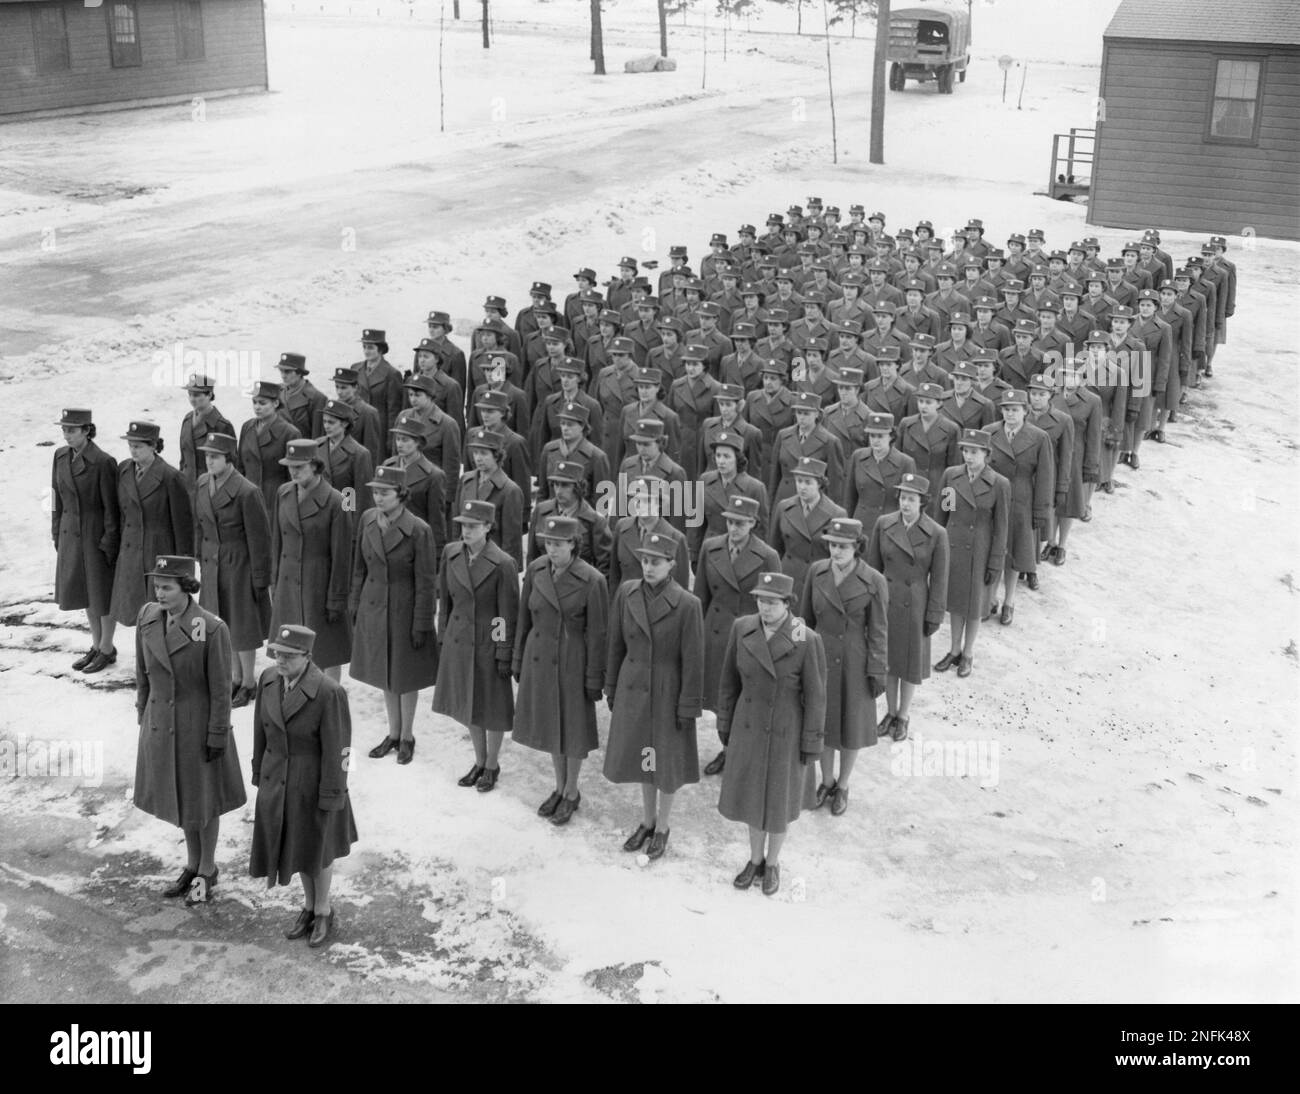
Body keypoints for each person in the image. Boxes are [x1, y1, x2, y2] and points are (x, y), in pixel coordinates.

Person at [133, 555, 246, 906]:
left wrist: (216, 735)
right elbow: (143, 674)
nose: (160, 594)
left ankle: (207, 870)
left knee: (204, 803)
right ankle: (192, 864)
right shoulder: (147, 617)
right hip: (161, 725)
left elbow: (219, 689)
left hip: (196, 727)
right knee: (182, 799)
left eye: (167, 588)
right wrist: (143, 714)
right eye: (157, 587)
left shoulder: (211, 629)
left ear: (188, 587)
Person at [716, 571, 827, 896]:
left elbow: (816, 697)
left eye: (772, 602)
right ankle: (754, 860)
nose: (765, 608)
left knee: (778, 801)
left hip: (786, 732)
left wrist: (811, 742)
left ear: (788, 603)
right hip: (748, 725)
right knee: (752, 798)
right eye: (761, 601)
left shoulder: (805, 638)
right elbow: (728, 683)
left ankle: (773, 862)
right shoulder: (743, 628)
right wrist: (725, 722)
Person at [250, 624, 358, 949]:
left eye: (288, 656)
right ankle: (309, 907)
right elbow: (260, 733)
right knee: (296, 848)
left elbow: (340, 749)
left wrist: (332, 793)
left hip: (313, 783)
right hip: (278, 781)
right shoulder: (269, 680)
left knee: (319, 851)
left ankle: (323, 909)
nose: (280, 660)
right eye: (276, 653)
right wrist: (260, 774)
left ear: (308, 656)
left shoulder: (328, 692)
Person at [604, 532, 704, 862]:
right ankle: (647, 820)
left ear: (672, 565)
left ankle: (663, 826)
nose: (648, 567)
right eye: (644, 560)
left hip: (667, 691)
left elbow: (693, 661)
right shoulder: (626, 593)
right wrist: (612, 688)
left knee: (666, 764)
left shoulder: (687, 604)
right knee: (643, 757)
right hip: (633, 685)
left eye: (656, 562)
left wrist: (688, 704)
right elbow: (615, 645)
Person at [512, 515, 609, 826]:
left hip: (572, 660)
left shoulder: (593, 580)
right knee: (552, 726)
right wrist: (517, 658)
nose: (551, 549)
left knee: (573, 729)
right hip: (539, 655)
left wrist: (595, 678)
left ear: (573, 544)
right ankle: (558, 786)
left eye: (558, 544)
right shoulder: (537, 570)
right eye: (547, 543)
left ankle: (571, 791)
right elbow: (522, 619)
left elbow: (598, 634)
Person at [350, 466, 440, 766]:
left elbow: (426, 581)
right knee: (384, 673)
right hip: (374, 605)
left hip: (404, 607)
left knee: (404, 675)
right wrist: (355, 602)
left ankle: (407, 735)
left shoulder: (418, 530)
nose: (378, 497)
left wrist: (423, 622)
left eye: (384, 492)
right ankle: (392, 732)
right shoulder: (367, 519)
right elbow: (359, 566)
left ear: (401, 495)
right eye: (375, 491)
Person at [798, 520, 888, 815]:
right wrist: (797, 658)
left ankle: (844, 785)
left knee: (850, 728)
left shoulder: (873, 581)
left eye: (843, 546)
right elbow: (805, 620)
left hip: (854, 662)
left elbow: (878, 630)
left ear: (857, 548)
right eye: (833, 545)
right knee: (822, 724)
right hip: (820, 657)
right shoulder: (817, 571)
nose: (836, 551)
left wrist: (876, 670)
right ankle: (826, 781)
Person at [434, 500, 520, 793]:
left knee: (492, 706)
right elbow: (444, 602)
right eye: (463, 524)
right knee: (468, 704)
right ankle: (479, 760)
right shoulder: (451, 553)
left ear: (487, 527)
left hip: (486, 641)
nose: (466, 530)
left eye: (473, 525)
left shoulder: (503, 564)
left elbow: (505, 614)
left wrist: (502, 652)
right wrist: (443, 636)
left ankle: (492, 764)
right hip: (459, 639)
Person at [694, 494, 781, 779]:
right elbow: (701, 598)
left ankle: (741, 753)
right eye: (730, 521)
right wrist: (696, 636)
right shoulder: (711, 548)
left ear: (753, 523)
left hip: (749, 639)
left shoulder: (767, 556)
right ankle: (728, 749)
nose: (733, 528)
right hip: (716, 634)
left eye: (741, 523)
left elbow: (776, 604)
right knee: (722, 698)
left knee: (746, 697)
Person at [866, 474, 949, 741]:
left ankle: (903, 716)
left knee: (910, 664)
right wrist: (869, 604)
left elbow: (939, 579)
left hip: (915, 604)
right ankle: (889, 712)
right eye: (903, 498)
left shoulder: (937, 533)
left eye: (911, 499)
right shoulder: (884, 524)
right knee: (888, 660)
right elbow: (872, 569)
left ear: (922, 502)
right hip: (886, 601)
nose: (905, 504)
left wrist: (934, 613)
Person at [194, 432, 273, 706]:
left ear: (229, 459)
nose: (209, 461)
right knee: (220, 622)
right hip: (212, 563)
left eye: (215, 456)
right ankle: (234, 678)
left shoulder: (247, 491)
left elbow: (260, 538)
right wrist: (199, 558)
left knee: (242, 625)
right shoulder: (203, 483)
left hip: (239, 564)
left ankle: (248, 681)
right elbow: (200, 524)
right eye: (206, 456)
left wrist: (260, 578)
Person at [268, 440, 354, 680]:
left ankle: (329, 696)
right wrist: (275, 582)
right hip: (288, 580)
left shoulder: (337, 501)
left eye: (300, 466)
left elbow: (342, 555)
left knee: (325, 650)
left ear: (315, 466)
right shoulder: (283, 492)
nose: (293, 471)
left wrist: (337, 597)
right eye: (290, 466)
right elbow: (277, 542)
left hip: (318, 583)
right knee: (288, 648)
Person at [934, 430, 1010, 677]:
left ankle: (968, 653)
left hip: (980, 551)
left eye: (974, 452)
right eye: (965, 451)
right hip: (954, 547)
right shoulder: (951, 476)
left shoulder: (999, 484)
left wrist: (995, 563)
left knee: (974, 605)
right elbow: (943, 516)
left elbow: (1001, 529)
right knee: (956, 602)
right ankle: (954, 650)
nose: (968, 456)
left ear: (987, 454)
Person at [51, 408, 121, 674]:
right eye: (64, 429)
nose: (66, 435)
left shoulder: (103, 462)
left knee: (100, 593)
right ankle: (96, 644)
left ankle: (106, 647)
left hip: (94, 534)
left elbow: (111, 508)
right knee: (84, 592)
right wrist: (56, 531)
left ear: (86, 431)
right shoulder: (59, 456)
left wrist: (109, 541)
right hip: (70, 532)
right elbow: (55, 497)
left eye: (72, 429)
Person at [110, 421, 193, 632]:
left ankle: (159, 660)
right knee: (135, 612)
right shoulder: (125, 470)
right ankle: (144, 658)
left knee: (159, 614)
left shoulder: (170, 477)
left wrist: (184, 568)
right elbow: (121, 513)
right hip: (130, 551)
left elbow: (183, 526)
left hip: (158, 553)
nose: (133, 450)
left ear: (153, 446)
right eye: (131, 445)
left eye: (138, 446)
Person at [986, 389, 1054, 620]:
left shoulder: (1039, 437)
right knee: (992, 550)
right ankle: (991, 598)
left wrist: (1040, 512)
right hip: (992, 499)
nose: (1010, 414)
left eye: (1015, 409)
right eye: (1006, 409)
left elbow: (1045, 477)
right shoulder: (989, 433)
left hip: (1021, 500)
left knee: (1015, 552)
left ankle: (1009, 601)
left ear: (1025, 411)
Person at [769, 456, 847, 601]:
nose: (802, 487)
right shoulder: (784, 507)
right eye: (799, 481)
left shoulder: (836, 514)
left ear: (819, 484)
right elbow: (775, 550)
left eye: (808, 482)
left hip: (818, 583)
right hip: (787, 581)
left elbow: (840, 559)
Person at [454, 428, 525, 567]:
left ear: (497, 456)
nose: (478, 458)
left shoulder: (509, 490)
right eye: (475, 453)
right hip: (465, 557)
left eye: (484, 453)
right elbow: (457, 523)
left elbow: (511, 541)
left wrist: (506, 570)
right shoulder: (466, 480)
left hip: (492, 563)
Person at [844, 412, 916, 533]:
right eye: (872, 436)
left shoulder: (905, 463)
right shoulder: (858, 457)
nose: (875, 441)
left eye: (880, 436)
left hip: (890, 527)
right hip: (862, 525)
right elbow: (850, 498)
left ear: (891, 436)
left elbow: (911, 502)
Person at [236, 380, 301, 514]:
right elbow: (240, 467)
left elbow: (294, 476)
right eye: (254, 402)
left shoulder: (289, 433)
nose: (257, 407)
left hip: (275, 499)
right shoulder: (247, 427)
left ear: (276, 403)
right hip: (248, 497)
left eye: (262, 403)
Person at [177, 374, 235, 493]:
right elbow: (183, 459)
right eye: (190, 395)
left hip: (211, 488)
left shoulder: (222, 425)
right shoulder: (187, 419)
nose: (192, 399)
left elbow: (231, 463)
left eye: (197, 395)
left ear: (209, 395)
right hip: (187, 486)